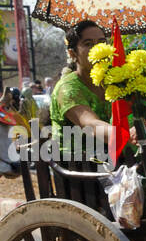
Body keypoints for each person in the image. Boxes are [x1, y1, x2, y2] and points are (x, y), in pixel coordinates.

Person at [49, 19, 133, 161]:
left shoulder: (115, 80)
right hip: (80, 169)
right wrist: (127, 134)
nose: (98, 50)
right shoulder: (68, 88)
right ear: (72, 53)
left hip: (114, 160)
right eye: (88, 44)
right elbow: (92, 125)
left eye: (101, 42)